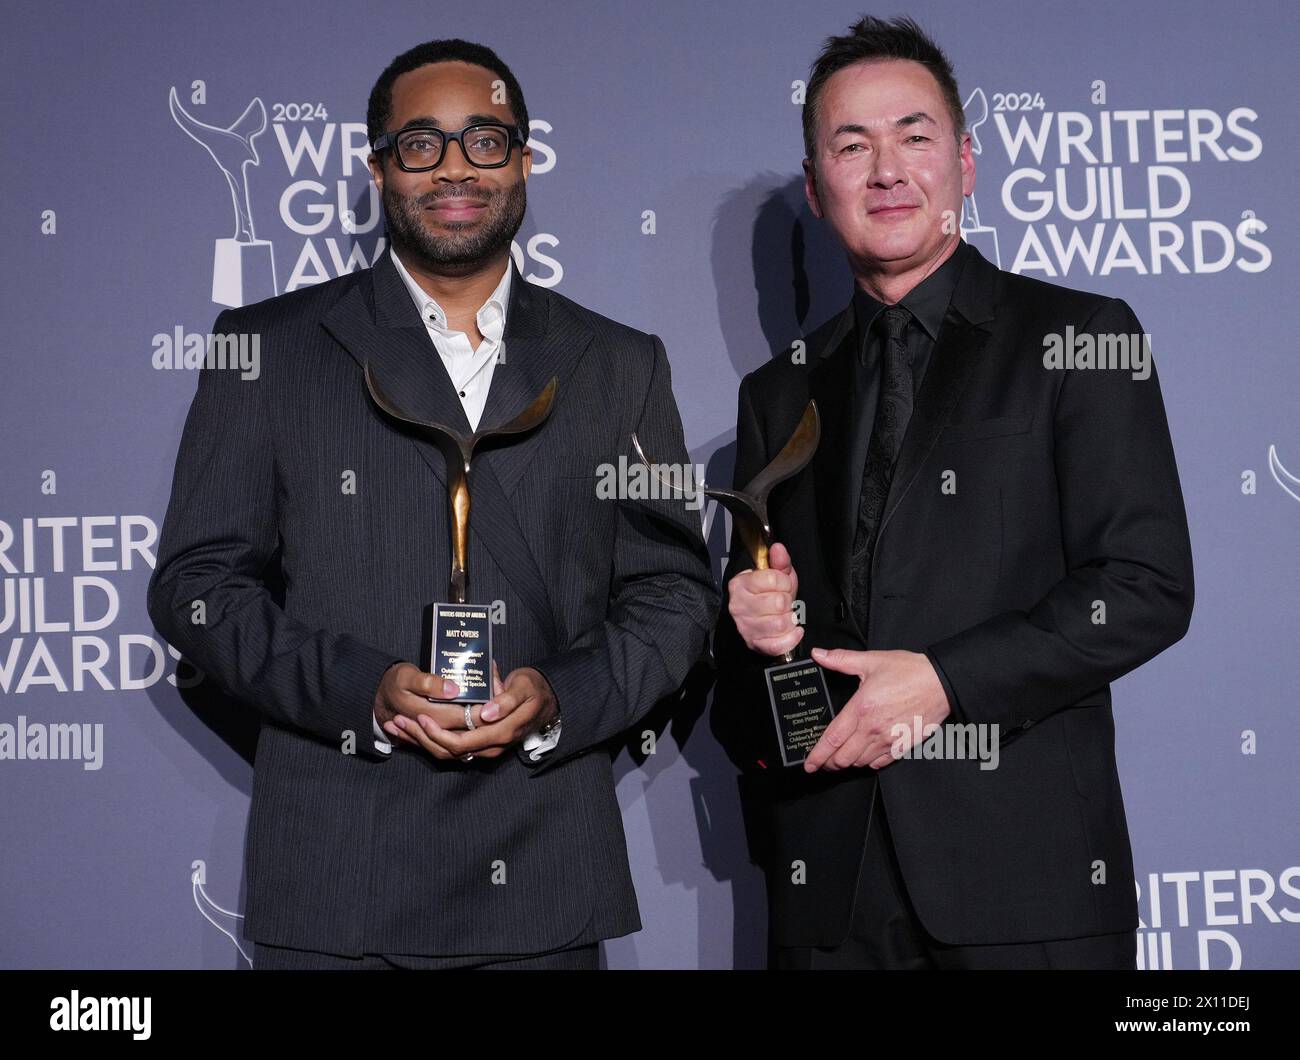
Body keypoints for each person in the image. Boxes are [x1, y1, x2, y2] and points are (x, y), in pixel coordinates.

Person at [148, 38, 717, 970]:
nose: (455, 165)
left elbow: (674, 595)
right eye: (421, 143)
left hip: (545, 874)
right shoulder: (266, 350)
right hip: (339, 872)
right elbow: (198, 585)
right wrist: (359, 691)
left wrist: (556, 697)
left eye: (485, 140)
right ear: (378, 169)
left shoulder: (619, 364)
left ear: (525, 161)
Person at [711, 16, 1193, 970]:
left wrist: (941, 682)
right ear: (817, 187)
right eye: (853, 145)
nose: (888, 170)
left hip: (1026, 889)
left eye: (915, 136)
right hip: (829, 899)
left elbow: (1144, 586)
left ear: (965, 162)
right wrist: (760, 643)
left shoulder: (1080, 336)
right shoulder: (781, 391)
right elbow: (741, 706)